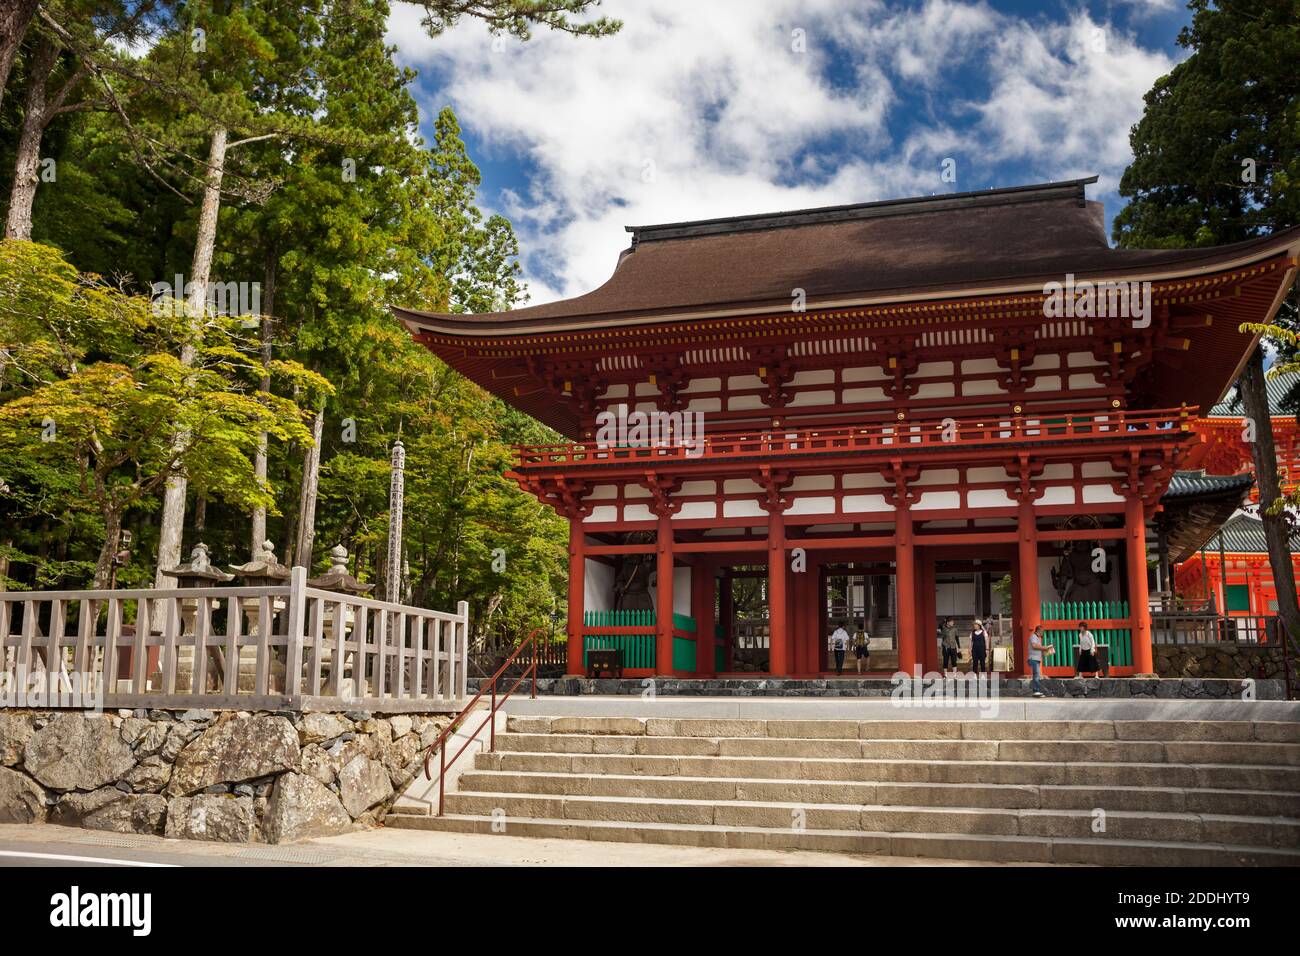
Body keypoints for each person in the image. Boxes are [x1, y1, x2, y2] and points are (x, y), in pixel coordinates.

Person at [1027, 623, 1053, 697]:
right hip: (1033, 659)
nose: (1043, 633)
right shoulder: (1033, 637)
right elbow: (1034, 646)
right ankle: (1036, 691)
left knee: (1037, 675)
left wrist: (1048, 651)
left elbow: (1038, 648)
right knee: (1036, 675)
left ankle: (1036, 691)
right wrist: (1045, 648)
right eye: (1042, 631)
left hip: (1036, 659)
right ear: (1039, 631)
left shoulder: (1037, 638)